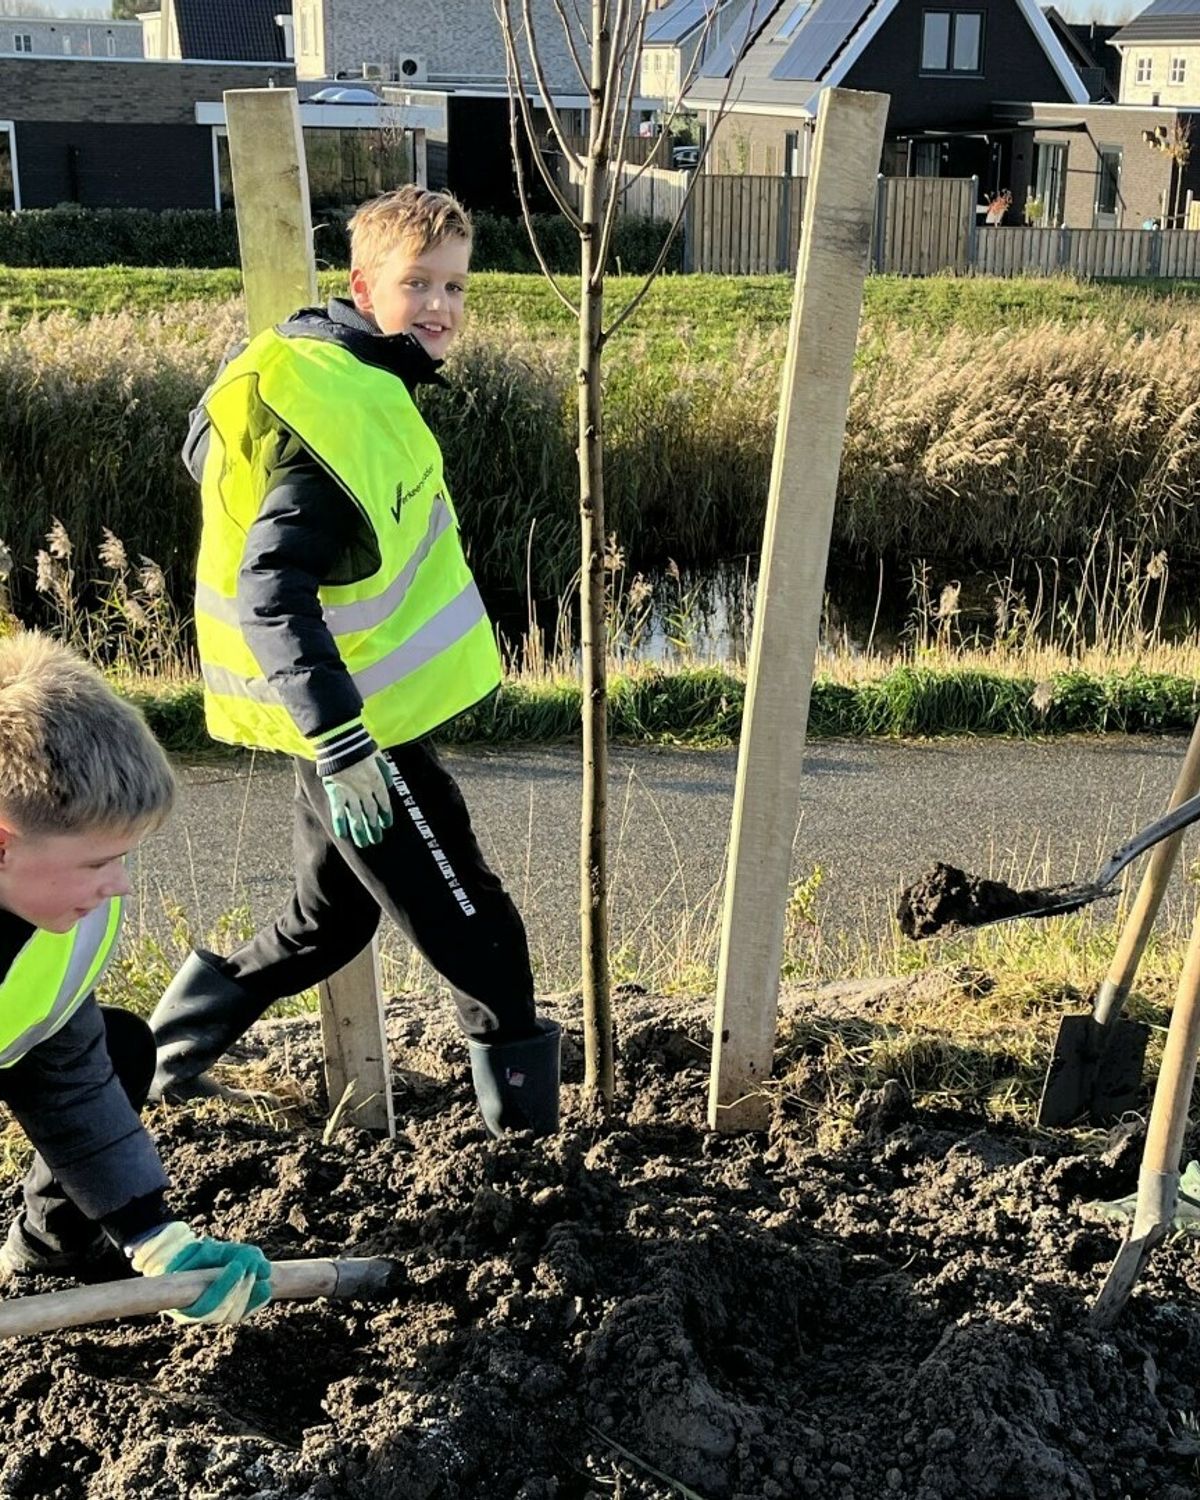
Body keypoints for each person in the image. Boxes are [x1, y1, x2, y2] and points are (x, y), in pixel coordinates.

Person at [148, 185, 560, 1136]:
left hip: (352, 724)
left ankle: (159, 1063)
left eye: (455, 286)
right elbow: (269, 589)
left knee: (327, 922)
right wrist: (342, 745)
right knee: (483, 937)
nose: (441, 307)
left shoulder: (351, 378)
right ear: (362, 285)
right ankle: (531, 1158)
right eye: (417, 283)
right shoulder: (335, 413)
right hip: (358, 738)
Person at [0, 630, 271, 1324]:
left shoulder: (64, 927)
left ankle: (51, 1247)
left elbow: (67, 1078)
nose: (119, 886)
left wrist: (156, 1238)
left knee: (113, 1046)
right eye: (98, 864)